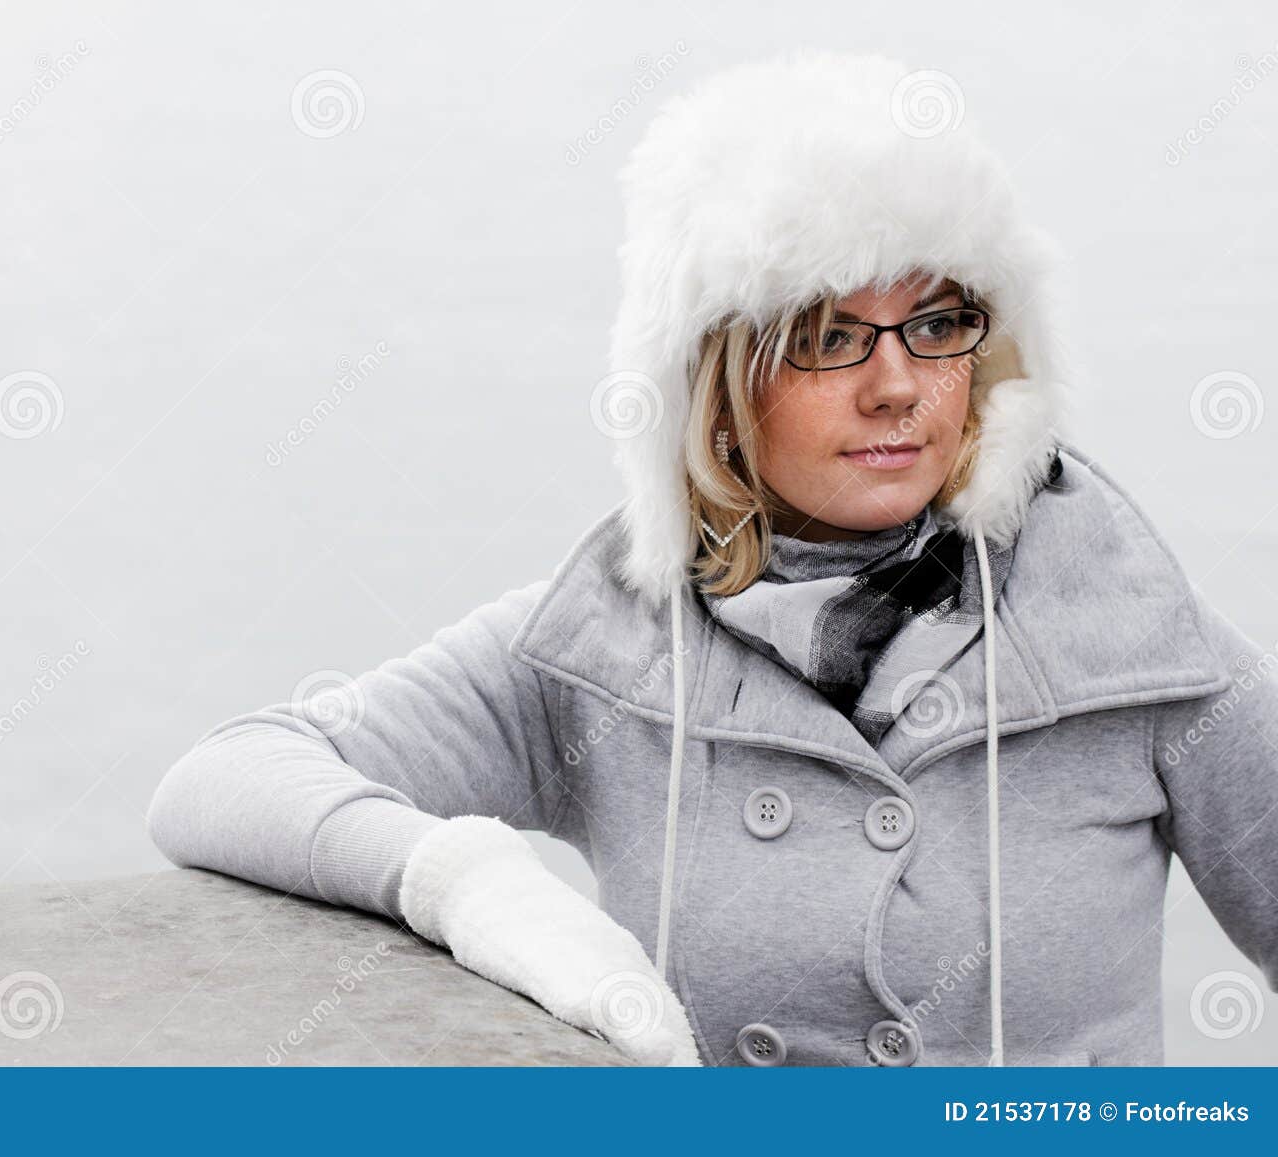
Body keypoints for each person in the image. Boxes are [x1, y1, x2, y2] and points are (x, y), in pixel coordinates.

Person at [147, 49, 1278, 1067]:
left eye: (936, 325)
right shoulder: (607, 644)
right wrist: (476, 887)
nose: (895, 384)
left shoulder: (1131, 637)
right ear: (719, 386)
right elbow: (224, 779)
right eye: (828, 337)